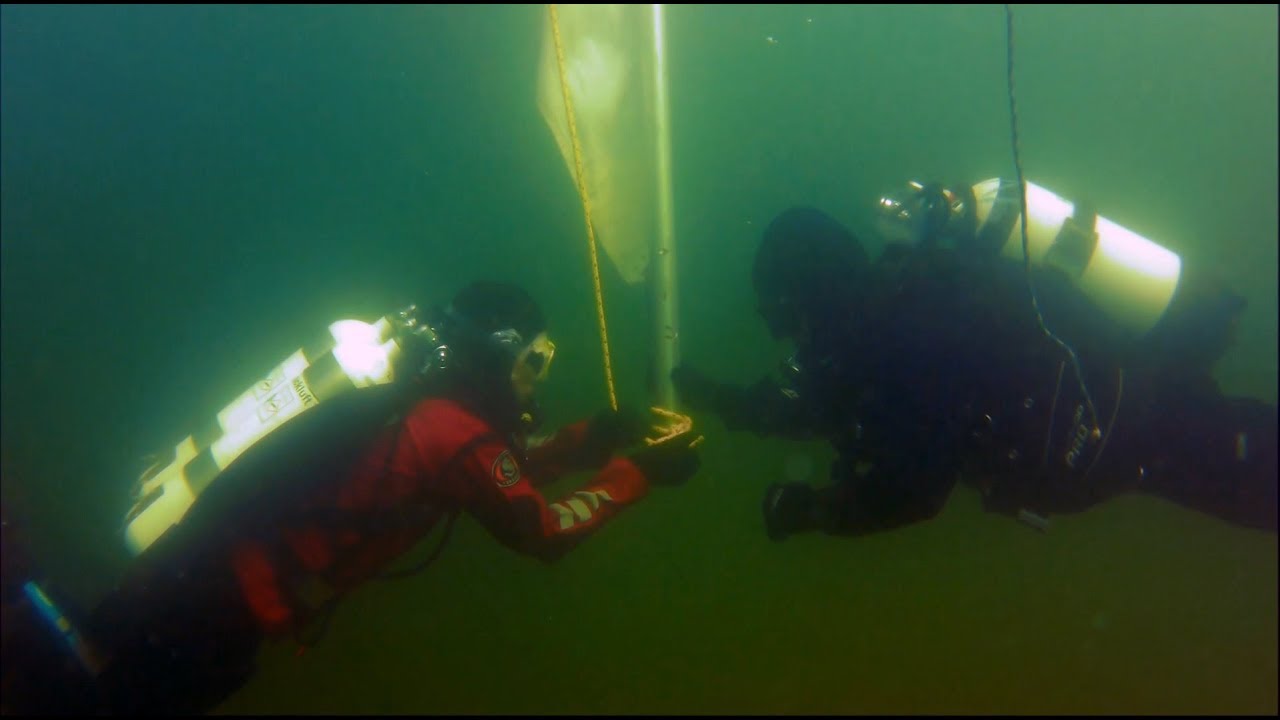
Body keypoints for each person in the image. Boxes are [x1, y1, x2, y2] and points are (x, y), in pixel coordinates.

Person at [1, 281, 702, 715]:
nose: (534, 380)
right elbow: (538, 529)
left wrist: (594, 440)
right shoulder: (459, 434)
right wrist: (635, 473)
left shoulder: (428, 405)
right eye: (534, 361)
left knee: (81, 669)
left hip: (194, 562)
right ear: (500, 351)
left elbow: (501, 475)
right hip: (217, 616)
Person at [671, 181, 1276, 542]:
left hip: (1131, 433)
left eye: (784, 314)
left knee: (1245, 467)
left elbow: (912, 493)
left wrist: (812, 511)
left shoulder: (898, 337)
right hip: (1136, 413)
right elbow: (810, 406)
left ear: (811, 293)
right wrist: (714, 397)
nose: (785, 336)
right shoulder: (881, 318)